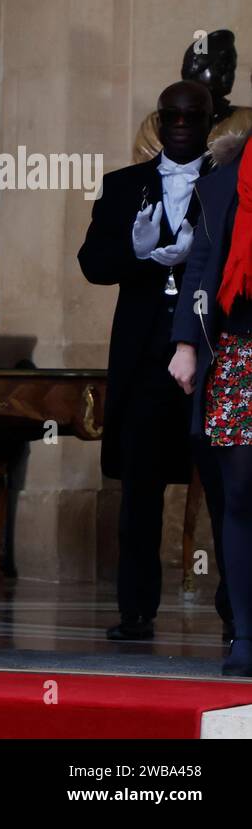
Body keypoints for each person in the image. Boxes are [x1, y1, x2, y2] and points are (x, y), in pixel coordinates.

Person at [80, 81, 231, 643]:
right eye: (172, 116)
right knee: (140, 487)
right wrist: (137, 253)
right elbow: (93, 264)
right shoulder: (123, 186)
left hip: (211, 357)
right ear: (160, 121)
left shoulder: (230, 185)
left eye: (194, 116)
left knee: (222, 484)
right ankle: (136, 609)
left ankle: (235, 611)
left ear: (210, 121)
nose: (182, 125)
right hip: (144, 359)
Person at [170, 122, 252, 677]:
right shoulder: (226, 178)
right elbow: (200, 264)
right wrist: (185, 345)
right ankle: (246, 635)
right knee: (242, 494)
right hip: (239, 353)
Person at [133, 30, 252, 163]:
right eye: (221, 67)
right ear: (195, 69)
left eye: (232, 68)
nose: (229, 74)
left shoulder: (247, 120)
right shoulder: (156, 123)